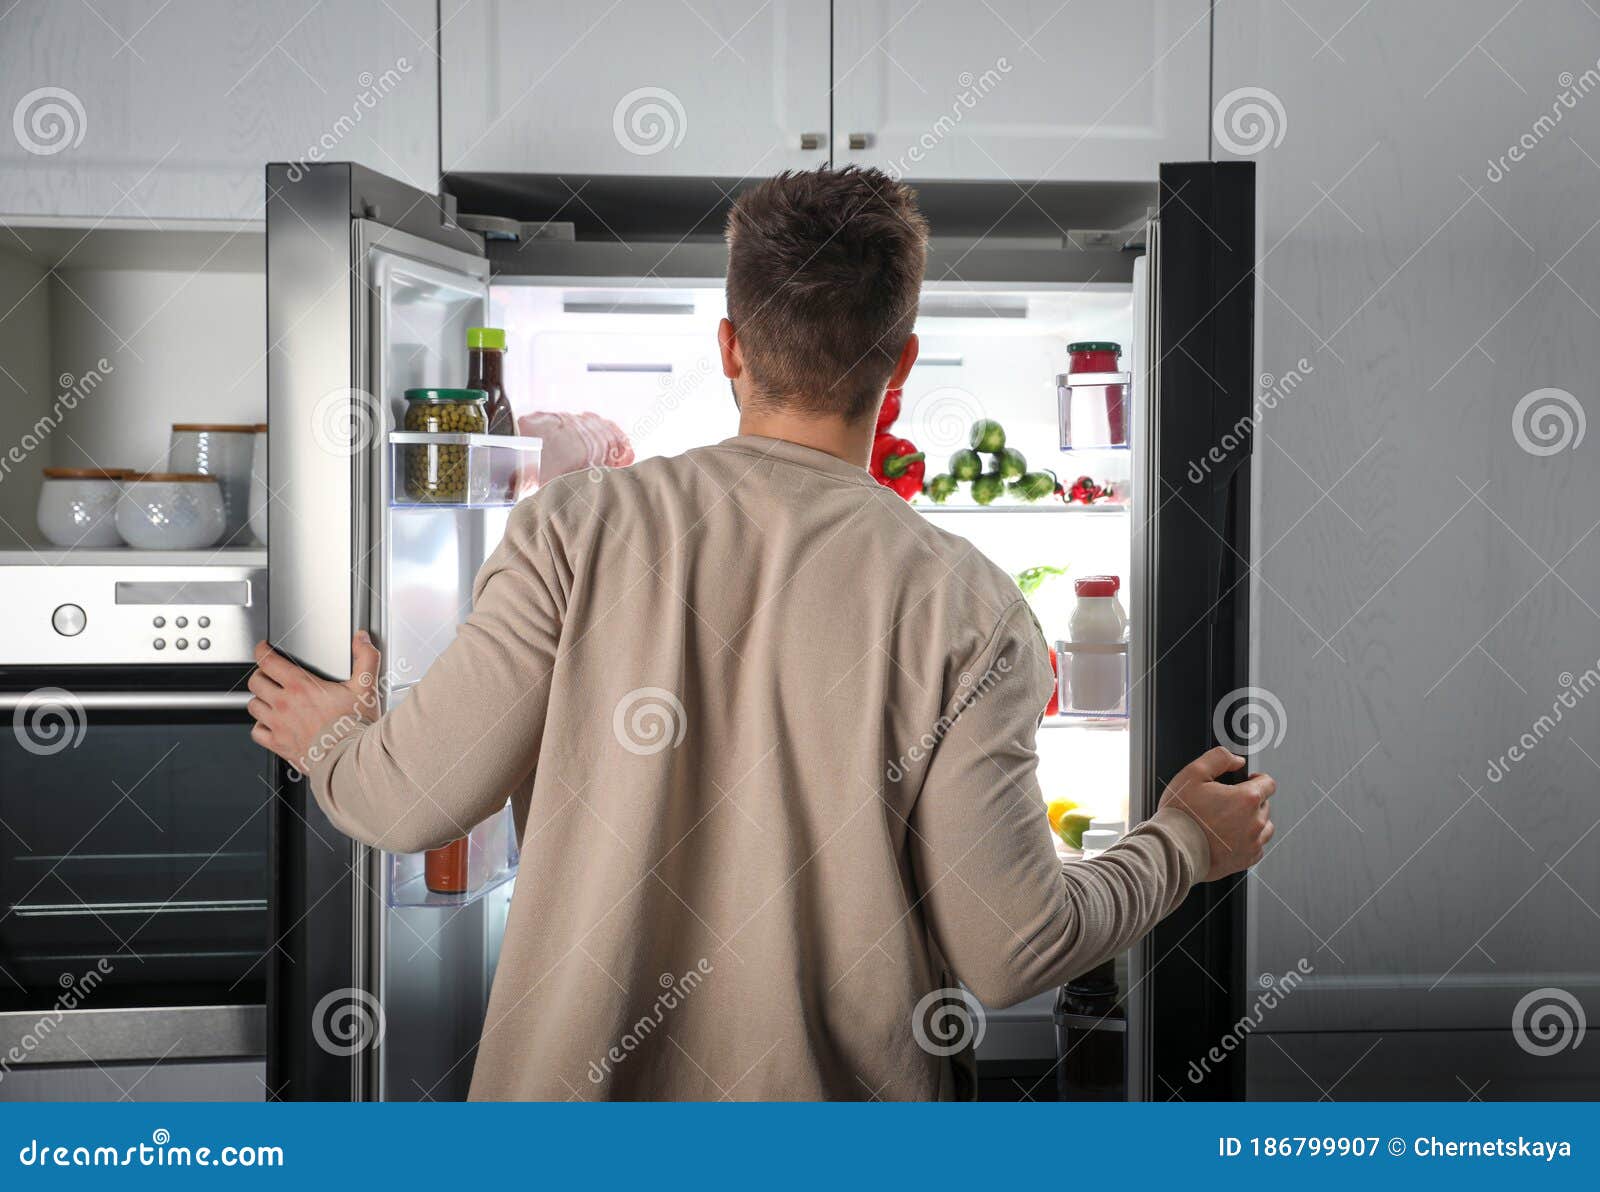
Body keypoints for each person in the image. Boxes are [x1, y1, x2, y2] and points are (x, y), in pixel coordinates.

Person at [247, 166, 1275, 1101]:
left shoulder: (573, 526)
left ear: (730, 345)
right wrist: (1181, 840)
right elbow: (1013, 946)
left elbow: (407, 799)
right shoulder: (970, 603)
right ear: (902, 362)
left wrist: (335, 733)